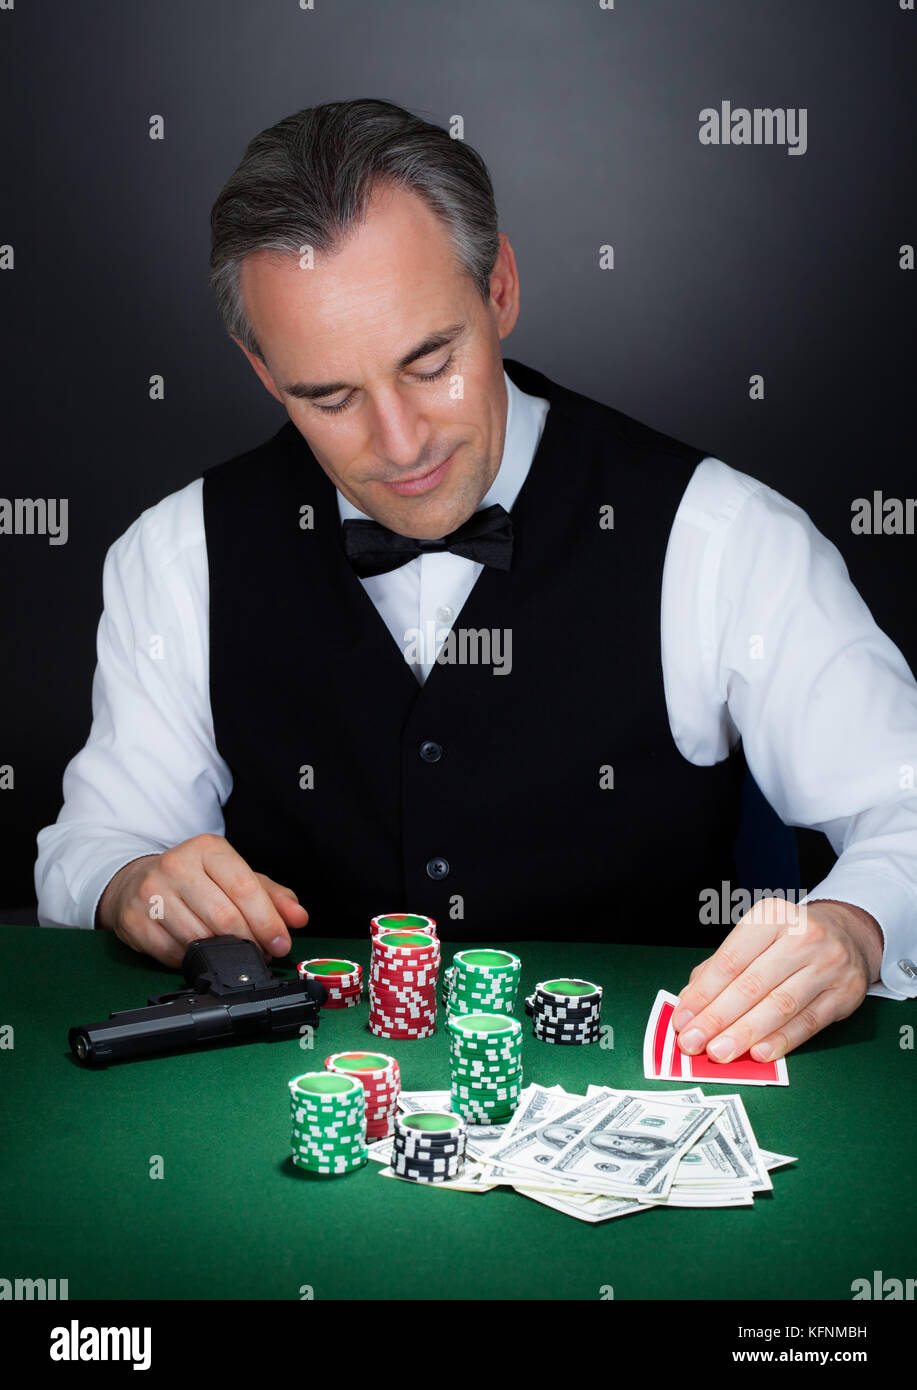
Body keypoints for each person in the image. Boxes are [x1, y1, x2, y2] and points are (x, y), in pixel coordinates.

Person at [35, 98, 917, 1072]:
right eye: (328, 396)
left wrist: (854, 923)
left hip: (629, 1114)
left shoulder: (723, 537)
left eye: (430, 362)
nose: (399, 443)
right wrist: (134, 884)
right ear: (261, 372)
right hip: (290, 1122)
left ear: (496, 288)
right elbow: (90, 852)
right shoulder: (173, 555)